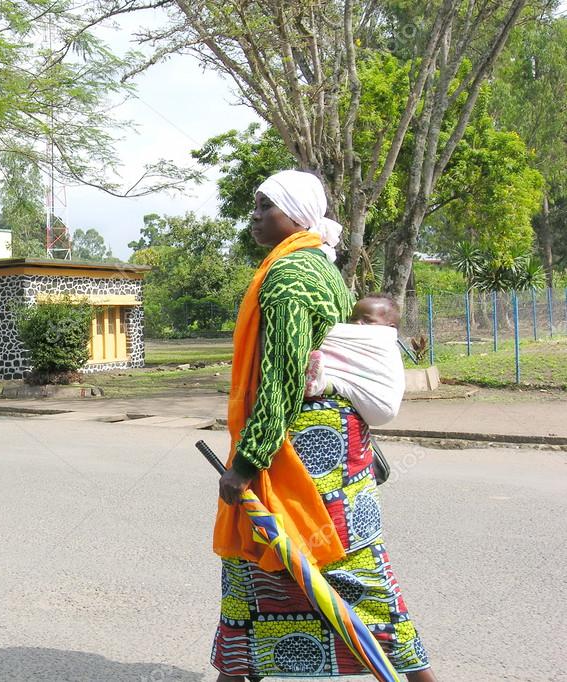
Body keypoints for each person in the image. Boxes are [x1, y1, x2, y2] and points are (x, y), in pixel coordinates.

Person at [211, 170, 435, 681]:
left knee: (342, 571)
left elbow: (284, 378)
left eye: (266, 206)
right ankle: (236, 672)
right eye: (254, 206)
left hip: (306, 456)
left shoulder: (289, 277)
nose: (255, 216)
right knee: (261, 571)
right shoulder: (322, 268)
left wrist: (246, 462)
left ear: (295, 212)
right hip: (334, 446)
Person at [304, 293, 405, 426]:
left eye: (367, 320)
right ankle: (318, 383)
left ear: (389, 327)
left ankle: (320, 382)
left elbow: (323, 333)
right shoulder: (356, 341)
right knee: (342, 385)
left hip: (379, 399)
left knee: (344, 386)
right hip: (359, 391)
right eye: (354, 318)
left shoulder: (384, 340)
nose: (357, 323)